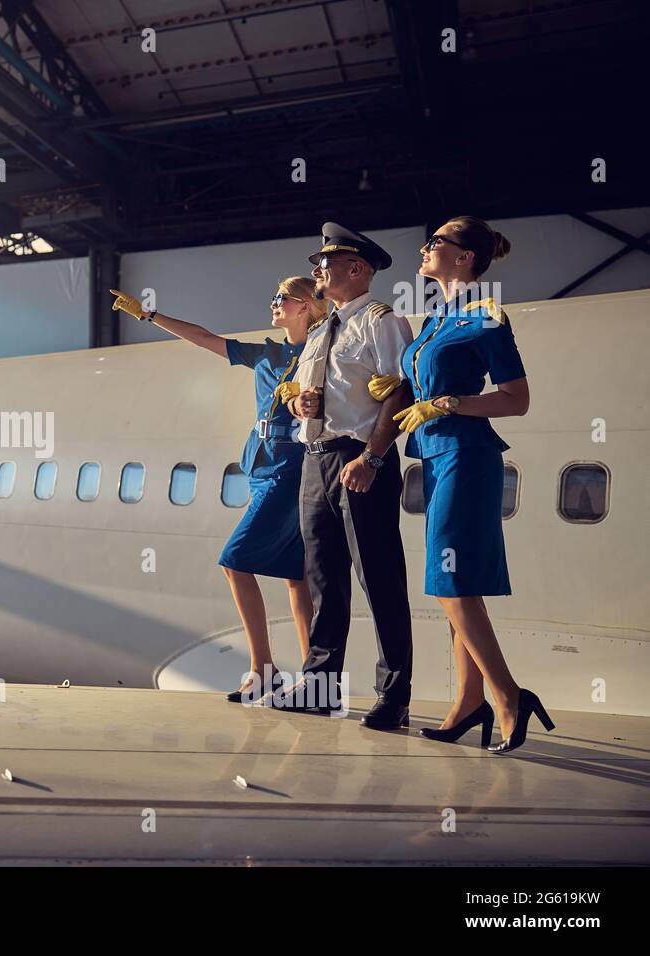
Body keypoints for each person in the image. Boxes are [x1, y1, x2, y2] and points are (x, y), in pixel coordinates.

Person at [109, 280, 321, 702]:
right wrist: (149, 316)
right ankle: (310, 678)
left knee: (235, 562)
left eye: (283, 298)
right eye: (273, 295)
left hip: (291, 467)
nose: (274, 303)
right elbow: (205, 338)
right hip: (262, 464)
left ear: (307, 307)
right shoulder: (267, 352)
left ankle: (264, 669)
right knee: (295, 578)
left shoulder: (319, 354)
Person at [394, 216, 553, 753]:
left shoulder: (485, 317)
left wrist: (451, 403)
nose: (425, 247)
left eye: (436, 242)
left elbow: (516, 397)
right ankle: (468, 699)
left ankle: (508, 696)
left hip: (466, 454)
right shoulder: (438, 319)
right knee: (458, 585)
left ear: (464, 258)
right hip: (435, 458)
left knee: (451, 584)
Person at [273, 223, 416, 730]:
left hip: (360, 459)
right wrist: (299, 400)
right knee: (323, 581)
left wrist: (374, 457)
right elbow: (300, 392)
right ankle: (318, 688)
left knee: (378, 576)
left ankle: (393, 696)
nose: (317, 270)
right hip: (316, 458)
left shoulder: (382, 322)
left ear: (356, 269)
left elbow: (401, 392)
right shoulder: (318, 331)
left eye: (325, 263)